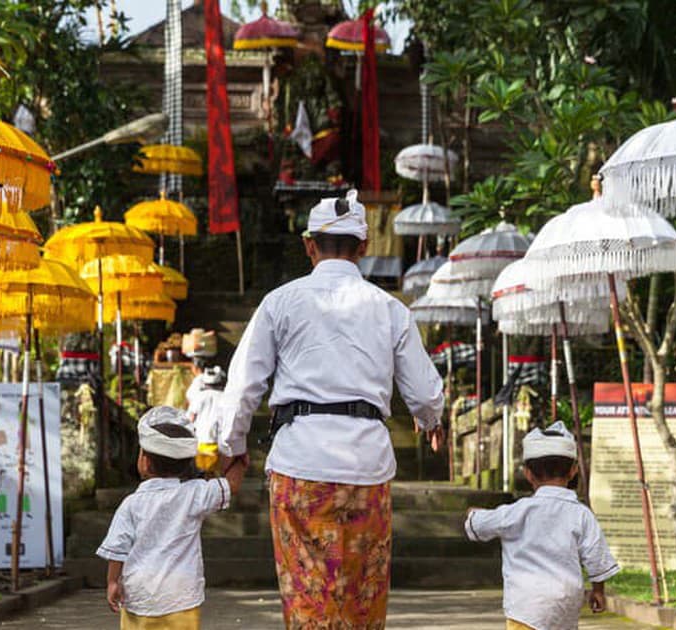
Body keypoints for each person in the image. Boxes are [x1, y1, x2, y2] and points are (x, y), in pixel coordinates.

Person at [217, 189, 445, 628]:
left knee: (308, 597)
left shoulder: (279, 302)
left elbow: (244, 383)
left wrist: (233, 445)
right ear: (364, 247)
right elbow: (424, 391)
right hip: (367, 467)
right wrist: (431, 420)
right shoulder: (390, 309)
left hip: (300, 463)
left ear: (309, 245)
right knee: (362, 598)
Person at [98, 406, 248, 629]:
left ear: (145, 462)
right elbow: (231, 485)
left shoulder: (132, 504)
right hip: (182, 595)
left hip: (140, 595)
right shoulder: (195, 493)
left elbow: (118, 549)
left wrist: (112, 582)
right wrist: (239, 461)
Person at [464, 422, 620, 630]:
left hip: (526, 606)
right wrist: (598, 591)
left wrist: (473, 513)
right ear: (573, 471)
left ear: (528, 473)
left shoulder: (518, 511)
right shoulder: (581, 513)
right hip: (566, 604)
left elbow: (479, 525)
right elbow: (596, 557)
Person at [185, 365, 227, 472]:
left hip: (201, 439)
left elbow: (191, 417)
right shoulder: (224, 396)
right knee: (215, 474)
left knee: (201, 472)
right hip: (218, 441)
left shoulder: (199, 396)